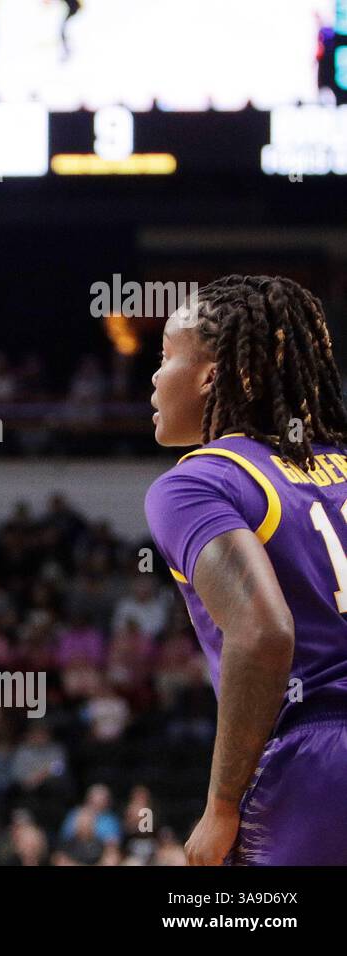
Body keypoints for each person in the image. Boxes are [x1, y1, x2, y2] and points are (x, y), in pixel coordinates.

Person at [145, 274, 347, 864]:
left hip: (316, 759)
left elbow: (263, 632)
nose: (155, 378)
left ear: (211, 377)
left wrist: (222, 806)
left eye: (165, 357)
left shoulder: (197, 482)